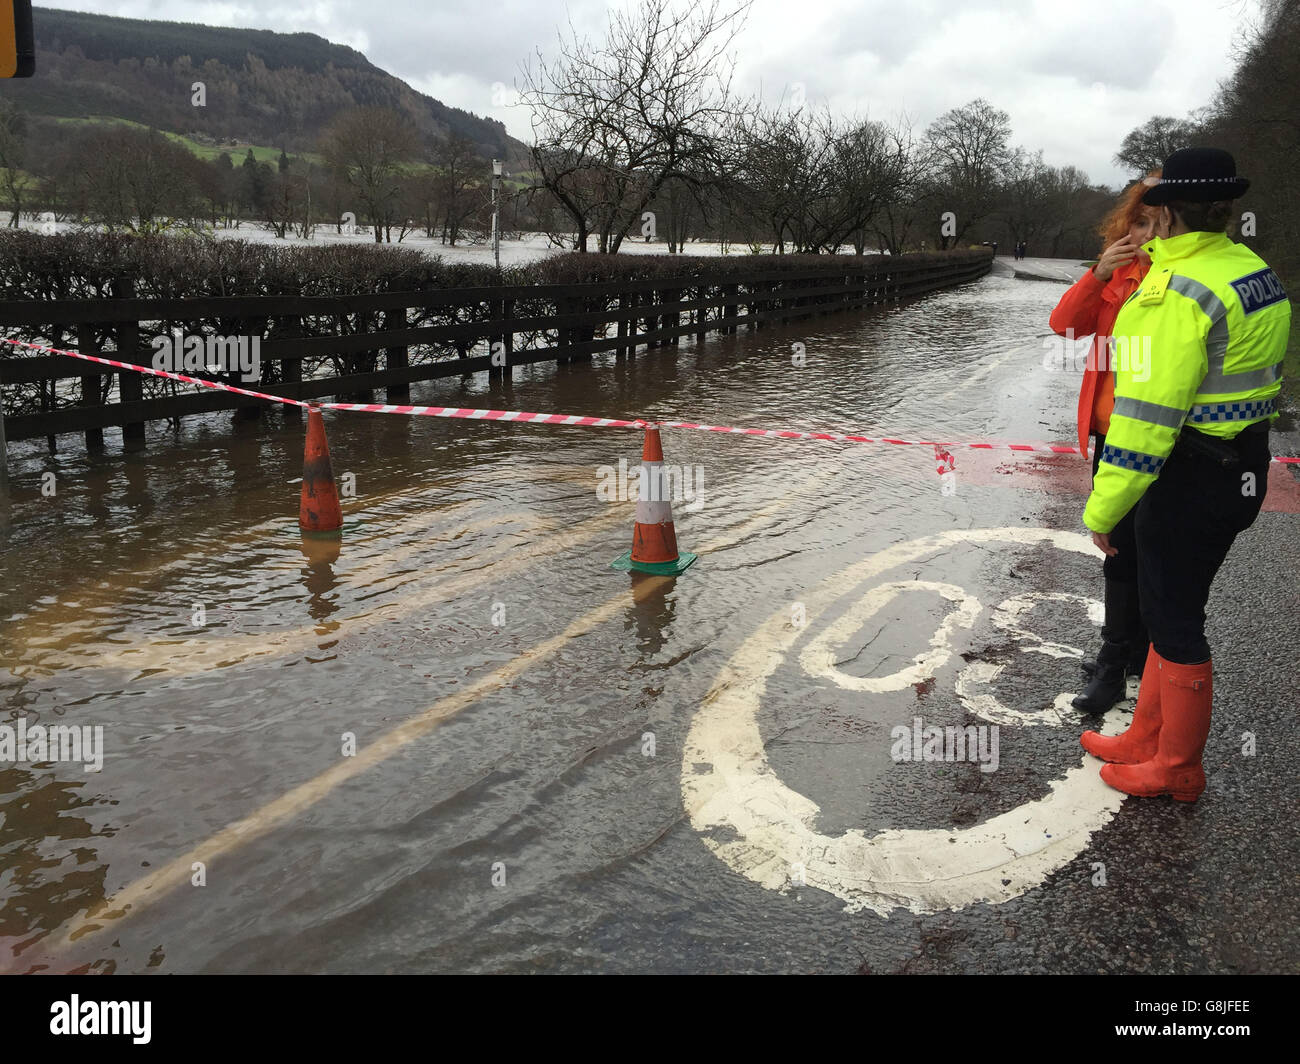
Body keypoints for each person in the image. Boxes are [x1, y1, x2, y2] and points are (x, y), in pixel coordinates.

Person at [1078, 147, 1290, 802]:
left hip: (1190, 473)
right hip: (1240, 462)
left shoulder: (1170, 295)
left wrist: (1102, 512)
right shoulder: (1252, 271)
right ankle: (1146, 737)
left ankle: (1177, 766)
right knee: (1171, 605)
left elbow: (1143, 426)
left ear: (1165, 214)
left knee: (1173, 622)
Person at [1049, 171, 1160, 712]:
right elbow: (1066, 327)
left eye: (1155, 221)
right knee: (1119, 548)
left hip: (1154, 433)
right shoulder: (1121, 273)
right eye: (1137, 220)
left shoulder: (1177, 278)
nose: (1144, 232)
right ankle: (1128, 653)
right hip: (1108, 428)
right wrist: (1098, 274)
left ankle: (1118, 661)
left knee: (1139, 549)